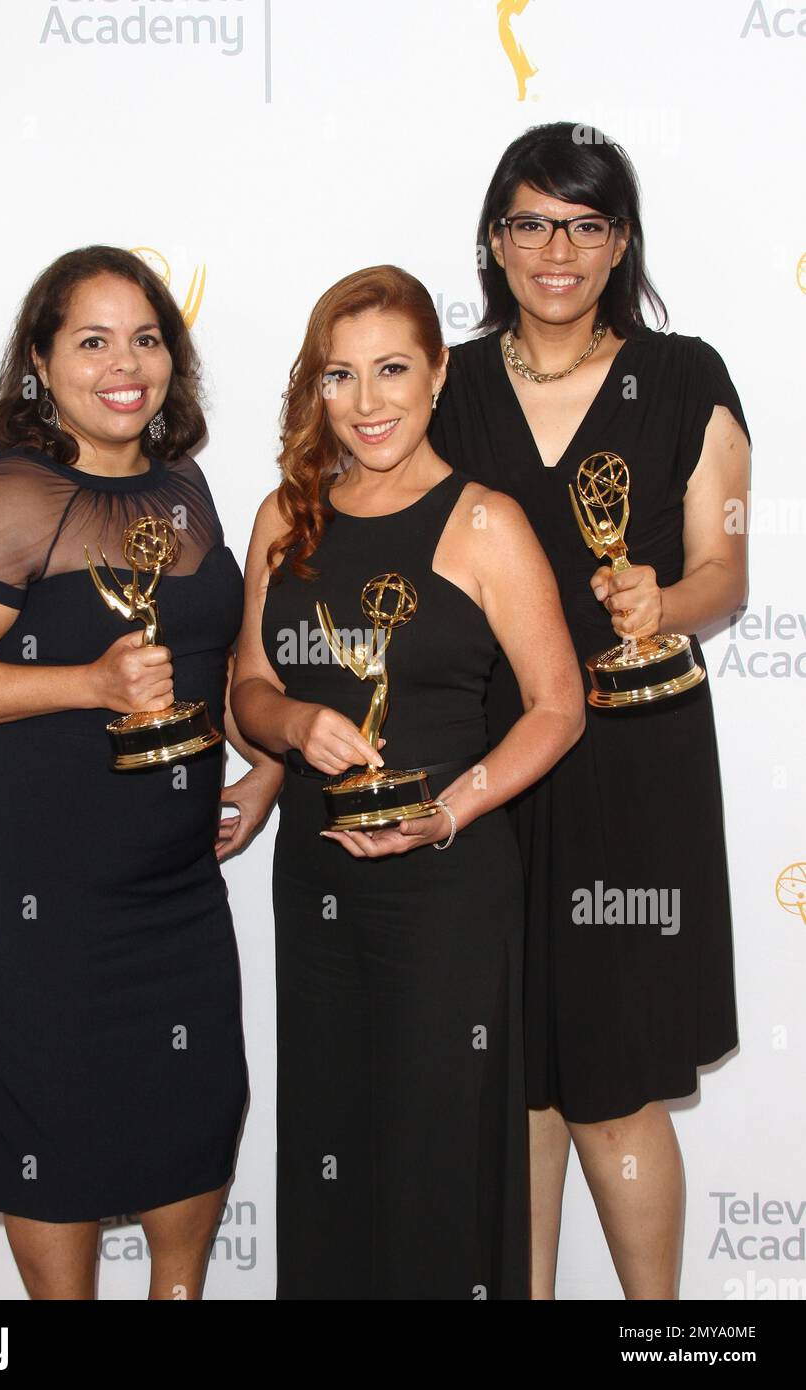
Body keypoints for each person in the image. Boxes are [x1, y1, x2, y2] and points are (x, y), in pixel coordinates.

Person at [0, 246, 282, 1300]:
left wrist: (265, 774)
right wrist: (88, 683)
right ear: (39, 363)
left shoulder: (184, 489)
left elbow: (227, 661)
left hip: (169, 884)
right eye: (92, 339)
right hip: (27, 882)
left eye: (146, 338)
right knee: (51, 1124)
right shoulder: (3, 499)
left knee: (194, 1106)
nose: (126, 363)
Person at [429, 121, 751, 1299]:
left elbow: (727, 572)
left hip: (632, 761)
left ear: (620, 243)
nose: (554, 248)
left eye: (583, 223)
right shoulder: (443, 386)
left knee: (610, 1075)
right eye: (528, 221)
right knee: (510, 1071)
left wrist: (664, 600)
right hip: (488, 757)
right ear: (494, 240)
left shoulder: (684, 377)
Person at [231, 264, 584, 1299]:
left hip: (447, 889)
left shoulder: (486, 523)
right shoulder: (283, 518)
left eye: (392, 369)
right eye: (340, 375)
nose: (368, 401)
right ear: (315, 389)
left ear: (437, 373)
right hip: (320, 885)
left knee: (440, 1155)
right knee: (334, 1138)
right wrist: (292, 722)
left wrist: (444, 812)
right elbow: (248, 687)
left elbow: (558, 705)